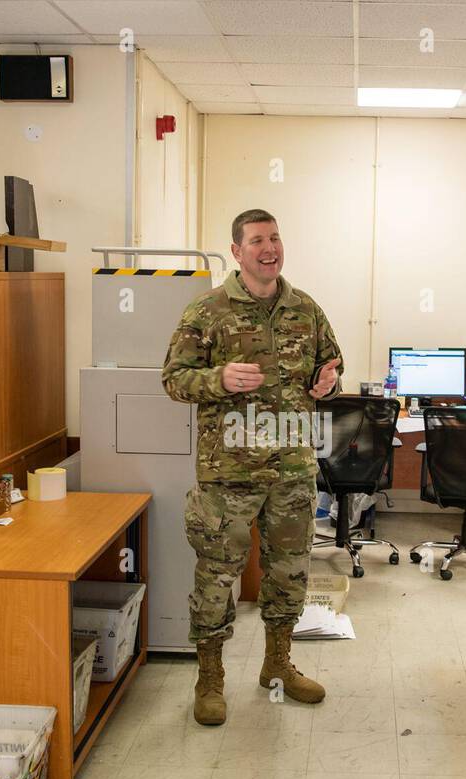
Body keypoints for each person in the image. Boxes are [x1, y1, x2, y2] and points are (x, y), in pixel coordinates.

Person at [163, 208, 342, 726]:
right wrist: (219, 379)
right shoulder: (207, 312)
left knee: (290, 572)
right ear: (237, 251)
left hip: (293, 470)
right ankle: (211, 678)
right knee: (217, 576)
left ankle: (278, 663)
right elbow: (174, 380)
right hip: (228, 476)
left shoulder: (305, 309)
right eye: (258, 240)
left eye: (276, 238)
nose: (270, 248)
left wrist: (327, 381)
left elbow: (330, 363)